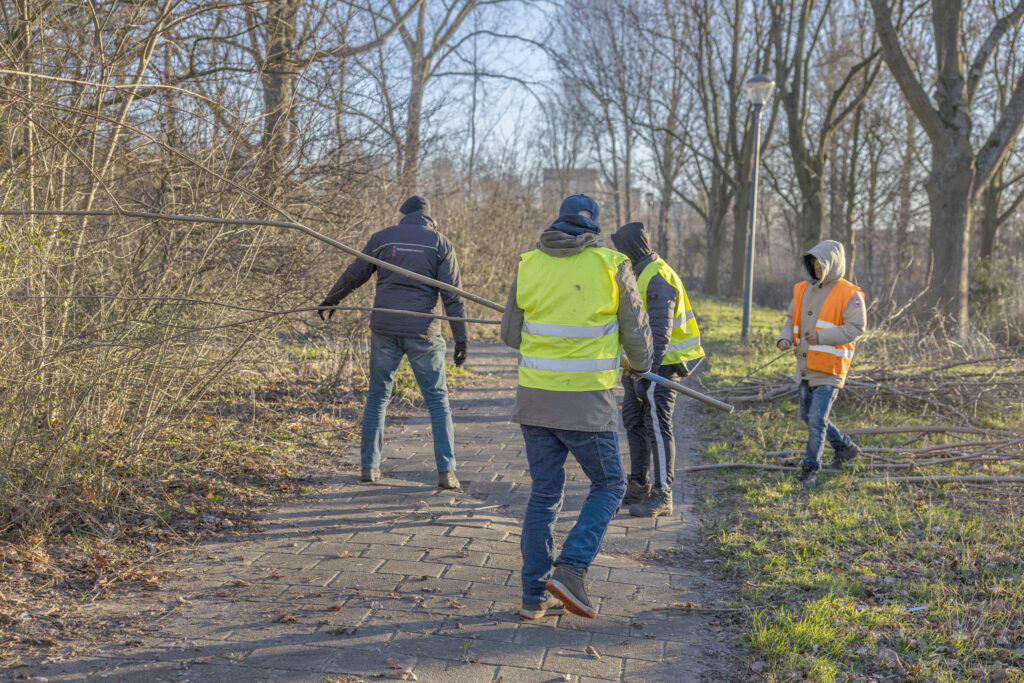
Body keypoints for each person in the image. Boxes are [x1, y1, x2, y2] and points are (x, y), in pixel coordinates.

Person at [500, 194, 652, 620]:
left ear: (559, 220)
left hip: (535, 399)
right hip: (587, 404)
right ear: (594, 225)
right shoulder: (612, 264)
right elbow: (637, 337)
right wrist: (639, 367)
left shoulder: (529, 263)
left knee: (544, 493)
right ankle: (571, 569)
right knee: (610, 485)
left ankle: (534, 596)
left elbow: (510, 335)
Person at [318, 196, 467, 490]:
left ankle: (369, 467)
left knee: (378, 397)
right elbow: (453, 295)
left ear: (403, 214)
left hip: (385, 328)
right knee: (437, 401)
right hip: (423, 332)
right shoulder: (439, 243)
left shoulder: (382, 239)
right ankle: (446, 473)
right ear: (429, 216)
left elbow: (355, 274)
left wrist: (332, 299)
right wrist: (461, 338)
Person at [610, 222, 704, 517]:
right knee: (634, 422)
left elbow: (660, 334)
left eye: (621, 250)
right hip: (638, 366)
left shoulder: (658, 277)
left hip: (661, 367)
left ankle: (663, 494)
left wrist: (646, 373)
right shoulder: (638, 273)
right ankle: (639, 484)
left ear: (632, 249)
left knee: (658, 427)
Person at [776, 239, 866, 489]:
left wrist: (822, 337)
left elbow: (856, 328)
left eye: (821, 263)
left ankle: (811, 469)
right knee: (808, 416)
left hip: (831, 369)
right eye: (814, 263)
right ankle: (845, 447)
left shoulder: (850, 293)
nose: (817, 267)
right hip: (805, 367)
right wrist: (785, 338)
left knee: (816, 418)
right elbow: (790, 320)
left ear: (833, 264)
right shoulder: (802, 289)